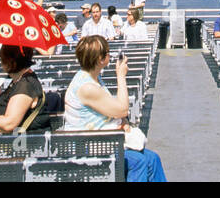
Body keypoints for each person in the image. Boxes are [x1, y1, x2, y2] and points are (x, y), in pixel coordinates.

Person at [64, 35, 166, 181]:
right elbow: (122, 110)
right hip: (87, 144)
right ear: (100, 59)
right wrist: (121, 75)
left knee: (153, 158)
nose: (110, 55)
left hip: (102, 139)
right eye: (107, 53)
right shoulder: (86, 87)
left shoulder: (94, 79)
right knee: (138, 162)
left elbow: (116, 110)